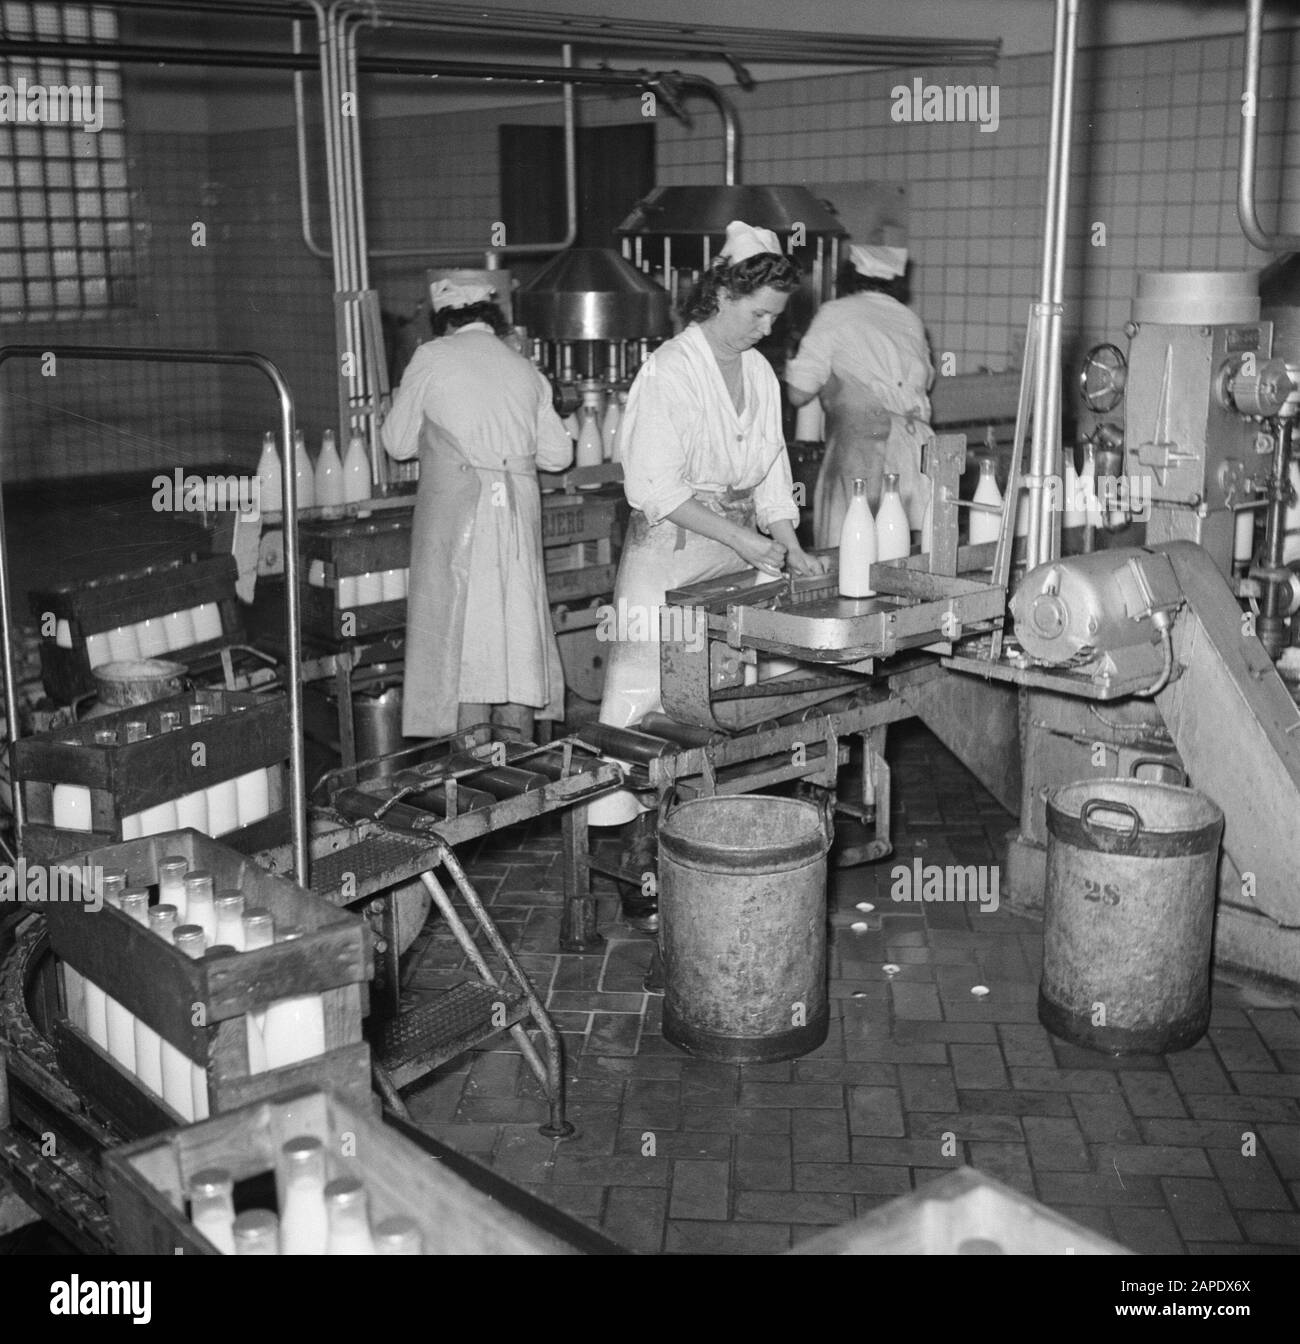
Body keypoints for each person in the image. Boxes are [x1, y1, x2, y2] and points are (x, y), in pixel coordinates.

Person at [589, 219, 830, 930]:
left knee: (719, 698)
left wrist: (790, 542)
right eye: (758, 314)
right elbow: (654, 489)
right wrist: (747, 539)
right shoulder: (669, 370)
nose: (766, 329)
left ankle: (707, 847)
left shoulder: (757, 373)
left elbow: (773, 475)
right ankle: (636, 868)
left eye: (775, 318)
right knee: (647, 706)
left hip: (735, 553)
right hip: (668, 555)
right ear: (721, 292)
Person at [381, 278, 573, 742]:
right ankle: (520, 771)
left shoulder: (431, 357)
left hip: (462, 518)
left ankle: (470, 781)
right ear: (493, 318)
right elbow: (558, 457)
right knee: (516, 645)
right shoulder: (525, 369)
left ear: (443, 321)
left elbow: (396, 442)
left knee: (465, 647)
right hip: (517, 524)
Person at [785, 244, 935, 548]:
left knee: (853, 551)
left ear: (849, 277)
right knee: (908, 552)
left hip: (864, 445)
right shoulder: (910, 319)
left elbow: (799, 393)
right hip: (917, 446)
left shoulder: (835, 312)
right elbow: (925, 380)